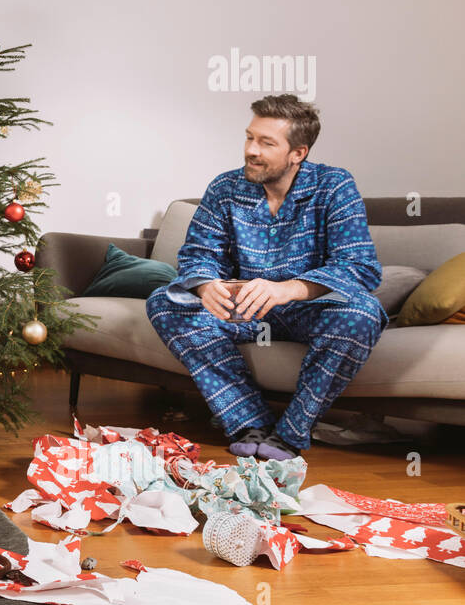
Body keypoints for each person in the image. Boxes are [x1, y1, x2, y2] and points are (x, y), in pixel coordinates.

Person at [146, 94, 386, 461]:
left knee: (363, 313)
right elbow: (197, 254)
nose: (251, 150)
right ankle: (248, 421)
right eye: (249, 137)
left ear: (298, 153)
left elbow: (360, 266)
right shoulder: (225, 188)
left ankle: (290, 435)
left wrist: (289, 288)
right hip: (245, 311)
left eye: (266, 143)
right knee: (165, 302)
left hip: (310, 309)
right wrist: (206, 284)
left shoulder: (334, 186)